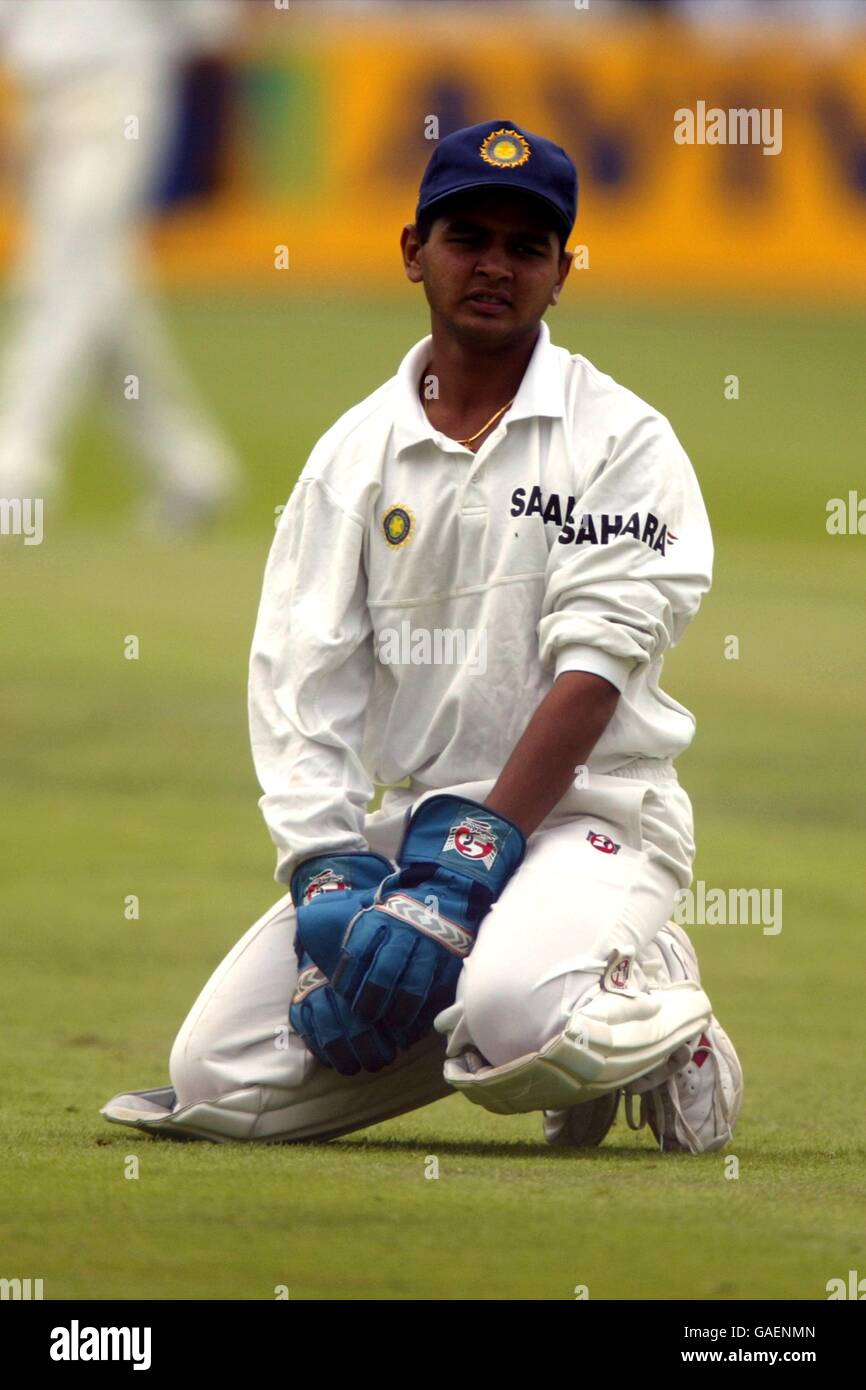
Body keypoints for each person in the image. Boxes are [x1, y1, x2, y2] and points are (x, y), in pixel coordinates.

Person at [102, 120, 742, 1153]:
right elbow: (298, 684)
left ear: (560, 272)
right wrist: (324, 867)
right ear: (413, 251)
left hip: (592, 819)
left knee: (506, 1011)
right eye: (467, 238)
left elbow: (595, 673)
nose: (494, 266)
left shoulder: (621, 441)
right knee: (218, 1082)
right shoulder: (350, 460)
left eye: (526, 247)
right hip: (412, 834)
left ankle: (641, 987)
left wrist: (469, 867)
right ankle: (539, 1012)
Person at [0, 0, 241, 523]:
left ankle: (17, 470)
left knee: (59, 279)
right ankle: (189, 469)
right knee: (98, 288)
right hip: (38, 97)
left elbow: (206, 23)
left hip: (115, 93)